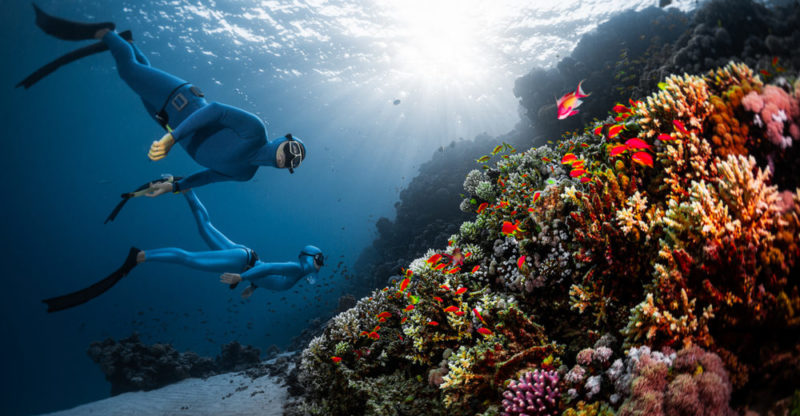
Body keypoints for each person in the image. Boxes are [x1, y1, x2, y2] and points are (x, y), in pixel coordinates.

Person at [19, 5, 307, 197]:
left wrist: (175, 187)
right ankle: (105, 32)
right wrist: (173, 139)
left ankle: (128, 43)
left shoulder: (244, 174)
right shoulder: (254, 130)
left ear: (289, 169)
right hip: (179, 99)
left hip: (166, 121)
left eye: (294, 160)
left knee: (138, 79)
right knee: (129, 72)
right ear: (285, 137)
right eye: (293, 148)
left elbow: (208, 177)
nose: (289, 156)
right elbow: (216, 111)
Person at [42, 189, 324, 312]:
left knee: (205, 227)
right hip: (244, 262)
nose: (320, 265)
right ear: (308, 258)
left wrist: (252, 287)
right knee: (188, 259)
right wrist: (241, 279)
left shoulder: (298, 273)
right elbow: (270, 269)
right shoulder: (297, 268)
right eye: (319, 259)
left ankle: (186, 188)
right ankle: (140, 256)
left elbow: (268, 275)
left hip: (245, 256)